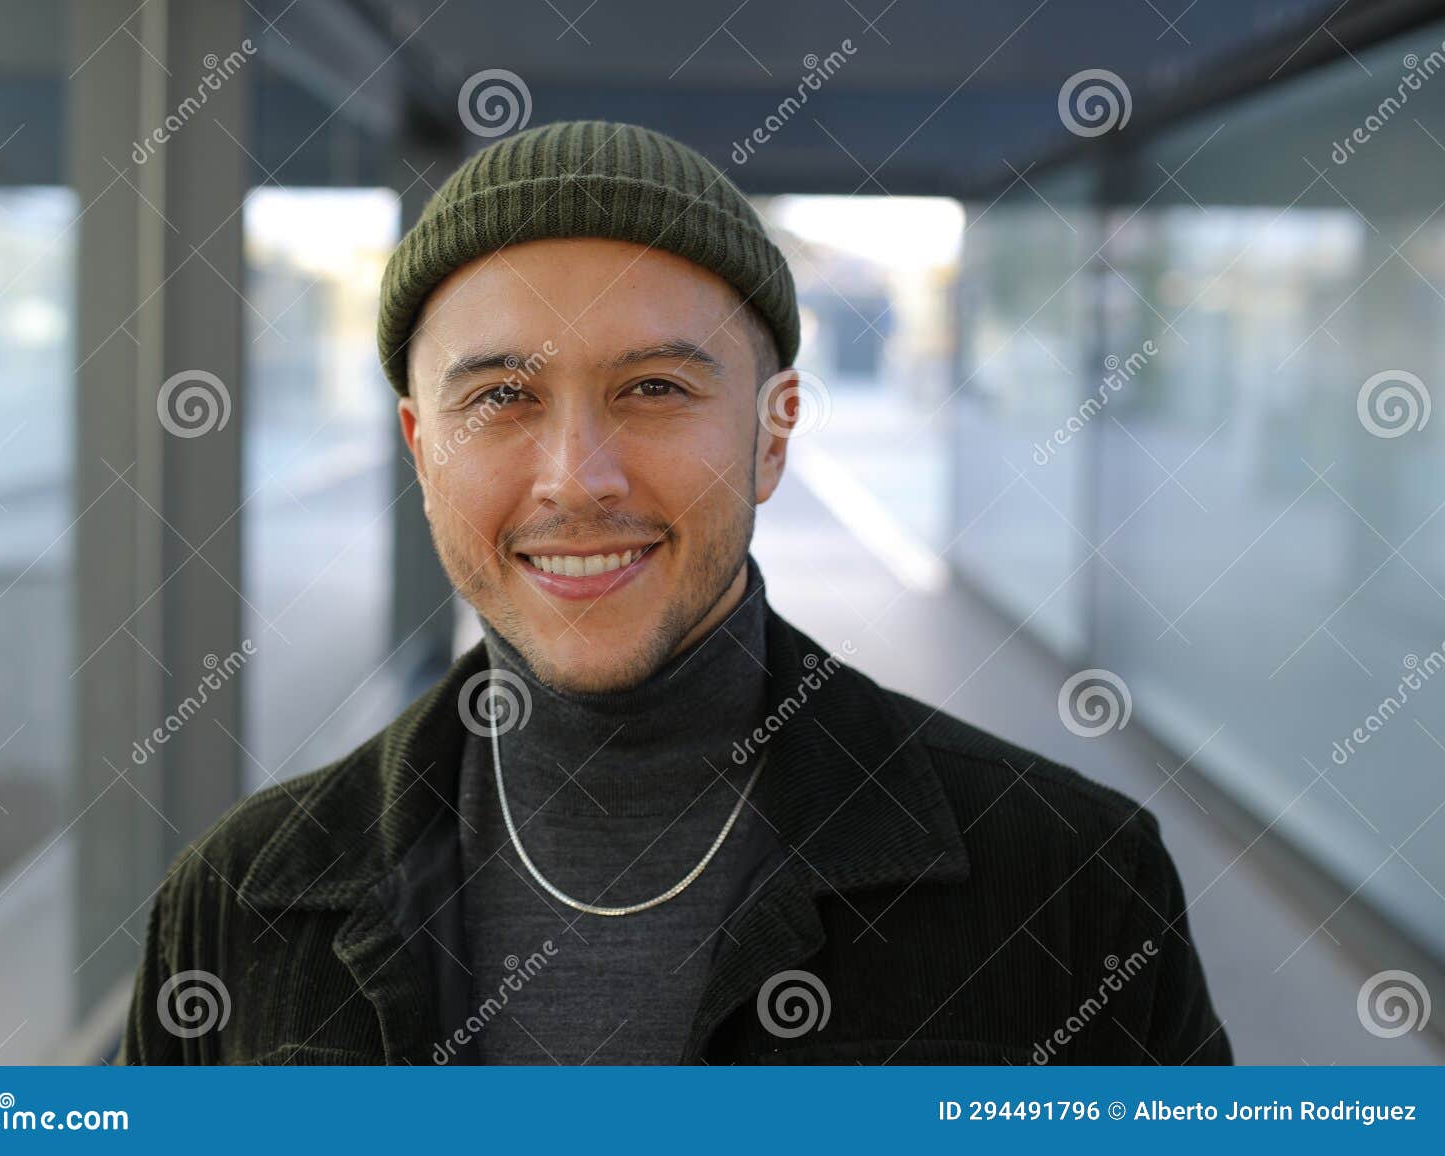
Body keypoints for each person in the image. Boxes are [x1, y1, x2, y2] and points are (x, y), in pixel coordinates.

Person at [117, 119, 1229, 1066]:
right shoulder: (237, 904)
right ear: (421, 448)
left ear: (771, 434)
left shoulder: (1069, 887)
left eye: (653, 387)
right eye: (501, 396)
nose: (576, 479)